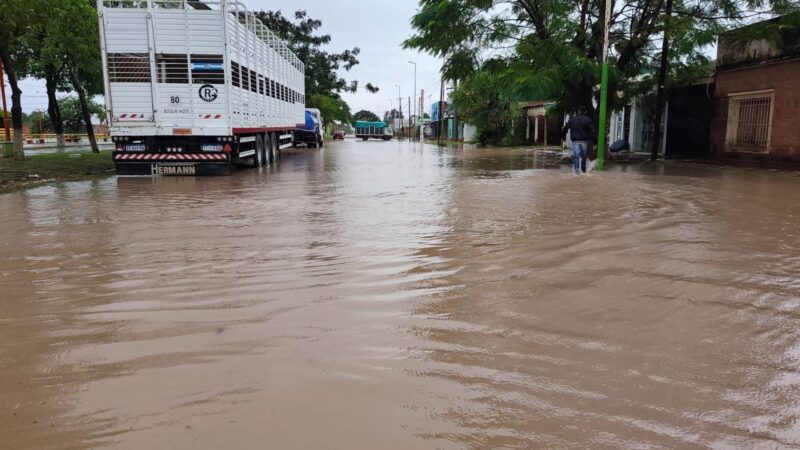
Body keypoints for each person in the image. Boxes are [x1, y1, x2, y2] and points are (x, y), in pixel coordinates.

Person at [560, 106, 596, 175]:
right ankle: (583, 170)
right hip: (584, 141)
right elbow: (593, 131)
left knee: (576, 156)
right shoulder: (588, 120)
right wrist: (595, 142)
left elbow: (565, 128)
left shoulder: (572, 119)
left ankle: (576, 173)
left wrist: (563, 137)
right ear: (585, 112)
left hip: (575, 141)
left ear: (579, 111)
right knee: (584, 156)